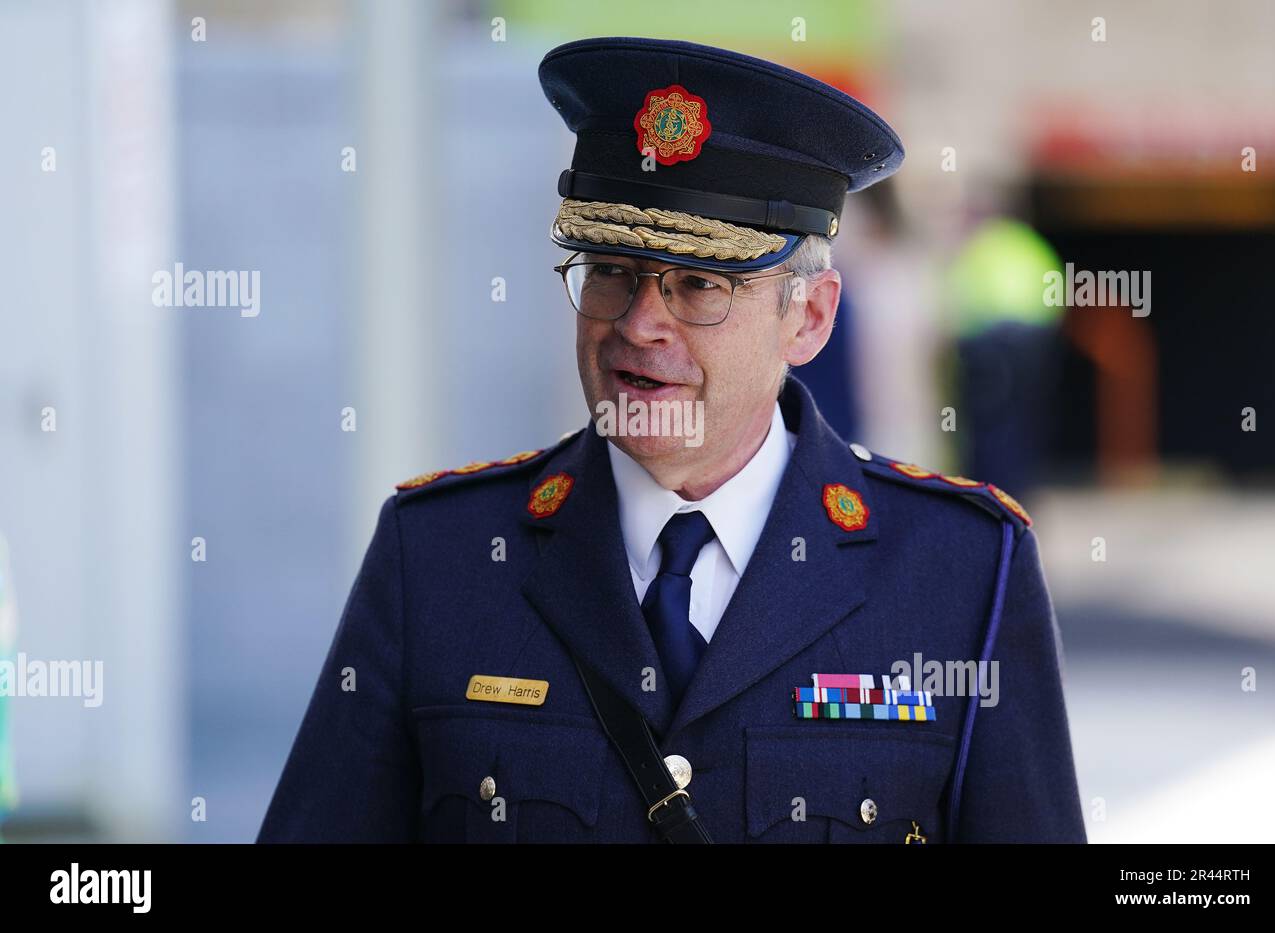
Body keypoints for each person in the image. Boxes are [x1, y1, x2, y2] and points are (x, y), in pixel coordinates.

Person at [258, 36, 1086, 844]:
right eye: (611, 270)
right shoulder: (440, 553)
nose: (640, 323)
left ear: (811, 316)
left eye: (700, 284)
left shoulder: (961, 571)